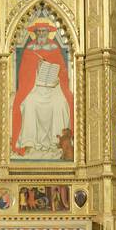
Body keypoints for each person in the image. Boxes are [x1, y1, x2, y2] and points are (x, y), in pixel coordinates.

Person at [11, 21, 73, 158]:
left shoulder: (54, 47)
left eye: (44, 32)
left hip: (54, 87)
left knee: (61, 104)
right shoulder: (30, 48)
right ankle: (29, 142)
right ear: (35, 33)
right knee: (28, 103)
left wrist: (57, 77)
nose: (41, 34)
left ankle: (56, 142)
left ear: (48, 33)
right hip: (34, 87)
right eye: (38, 32)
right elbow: (24, 73)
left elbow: (63, 71)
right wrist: (36, 68)